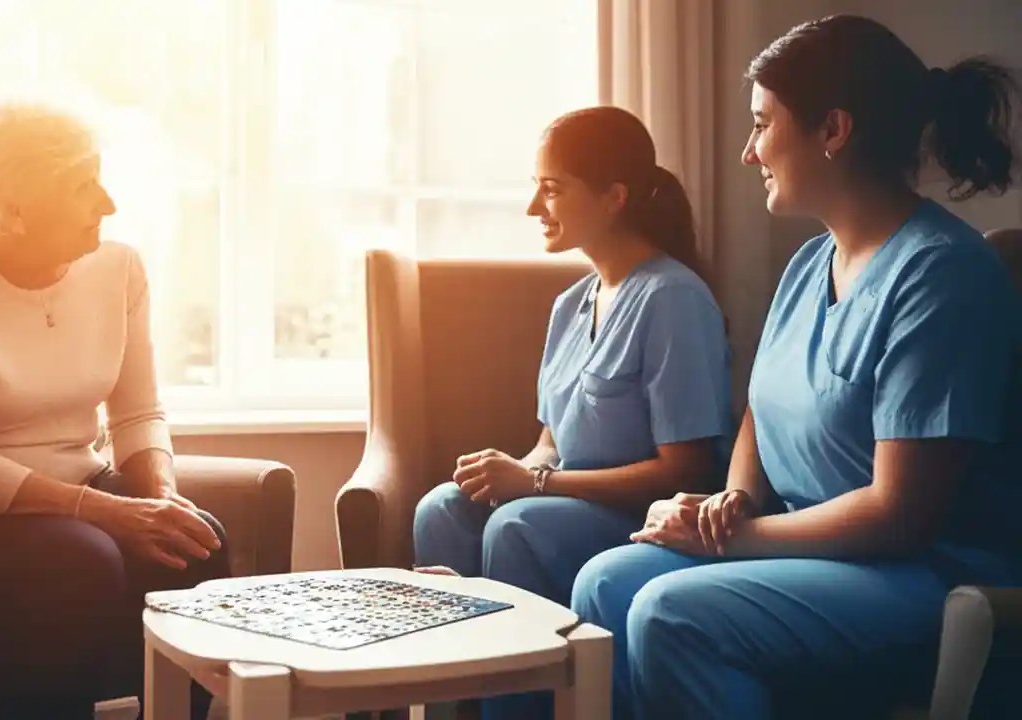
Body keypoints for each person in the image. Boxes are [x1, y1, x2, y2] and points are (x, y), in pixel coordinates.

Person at [571, 14, 1022, 719]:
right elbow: (762, 406)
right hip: (813, 550)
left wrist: (737, 542)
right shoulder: (810, 263)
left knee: (668, 610)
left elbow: (899, 514)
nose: (749, 153)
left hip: (922, 570)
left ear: (833, 131)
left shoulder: (942, 276)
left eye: (760, 124)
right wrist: (735, 502)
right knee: (605, 583)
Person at [0, 104, 228, 720]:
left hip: (77, 486)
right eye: (82, 187)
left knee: (198, 543)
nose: (108, 203)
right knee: (80, 562)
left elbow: (138, 411)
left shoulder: (118, 267)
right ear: (14, 210)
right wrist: (111, 513)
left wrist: (161, 499)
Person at [411, 107, 732, 718]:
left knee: (519, 525)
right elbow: (550, 441)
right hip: (560, 497)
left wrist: (532, 483)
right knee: (444, 509)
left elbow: (686, 470)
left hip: (639, 516)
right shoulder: (570, 305)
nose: (535, 207)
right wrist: (504, 472)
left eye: (552, 189)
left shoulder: (673, 299)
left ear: (614, 197)